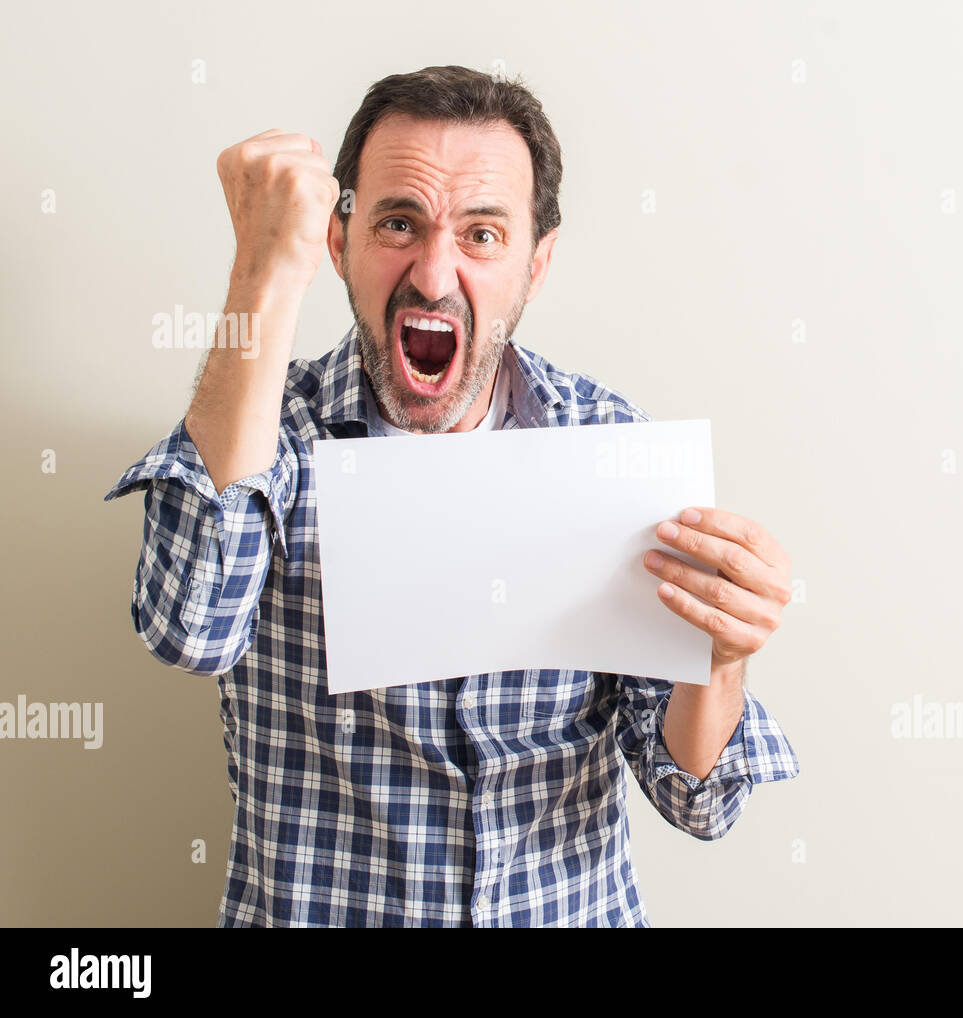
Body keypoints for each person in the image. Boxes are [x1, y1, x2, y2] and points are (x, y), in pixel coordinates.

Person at [105, 65, 799, 927]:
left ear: (535, 265)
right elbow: (190, 631)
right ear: (338, 241)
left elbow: (700, 802)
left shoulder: (608, 446)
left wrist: (721, 657)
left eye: (481, 234)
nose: (433, 275)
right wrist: (260, 273)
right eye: (399, 222)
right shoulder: (268, 433)